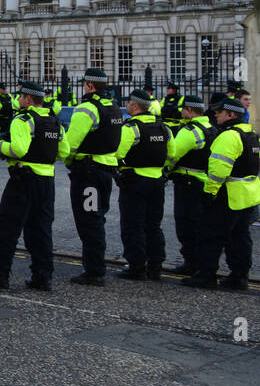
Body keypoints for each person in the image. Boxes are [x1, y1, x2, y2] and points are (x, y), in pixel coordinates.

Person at [0, 80, 68, 291]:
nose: (17, 100)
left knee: (6, 228)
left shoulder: (23, 120)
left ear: (28, 99)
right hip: (47, 181)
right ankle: (42, 276)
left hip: (24, 180)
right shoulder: (54, 121)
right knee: (41, 230)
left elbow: (18, 149)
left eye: (20, 96)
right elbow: (64, 152)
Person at [182, 99, 260, 290]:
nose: (216, 115)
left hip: (226, 194)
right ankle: (239, 277)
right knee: (240, 237)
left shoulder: (229, 136)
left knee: (210, 236)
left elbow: (218, 169)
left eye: (219, 112)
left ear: (231, 115)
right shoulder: (252, 134)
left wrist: (209, 192)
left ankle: (206, 276)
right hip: (245, 195)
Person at [63, 67, 124, 287]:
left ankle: (94, 270)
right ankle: (95, 266)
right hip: (106, 170)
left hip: (87, 173)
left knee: (89, 220)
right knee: (98, 217)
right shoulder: (114, 107)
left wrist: (66, 159)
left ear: (89, 85)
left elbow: (70, 144)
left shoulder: (87, 108)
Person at [112, 89, 172, 280]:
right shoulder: (163, 128)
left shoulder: (131, 128)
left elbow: (117, 154)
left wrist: (120, 170)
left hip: (135, 181)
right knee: (153, 224)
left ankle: (136, 266)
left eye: (128, 102)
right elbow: (172, 154)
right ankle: (156, 265)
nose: (127, 105)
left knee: (133, 224)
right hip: (157, 182)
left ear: (135, 105)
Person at [165, 94, 214, 275]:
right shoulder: (210, 128)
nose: (181, 113)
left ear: (190, 111)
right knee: (200, 224)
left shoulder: (189, 131)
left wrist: (165, 171)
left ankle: (191, 263)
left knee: (186, 226)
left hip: (187, 183)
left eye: (183, 110)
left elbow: (172, 155)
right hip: (204, 182)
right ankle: (199, 262)